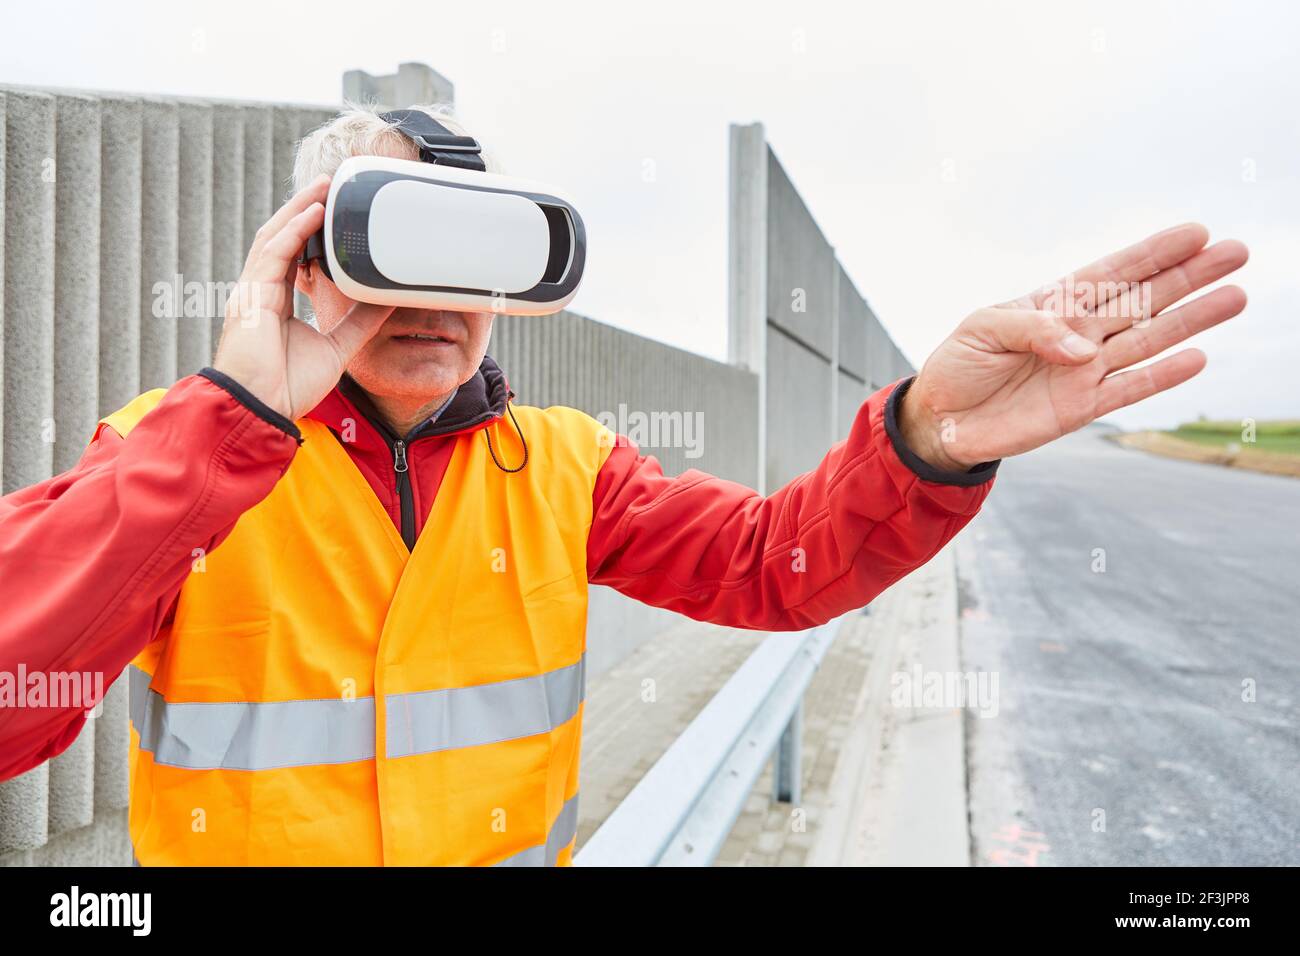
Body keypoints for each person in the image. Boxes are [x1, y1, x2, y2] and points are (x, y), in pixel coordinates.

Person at [0, 105, 1248, 865]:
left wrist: (927, 437)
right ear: (306, 255)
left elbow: (778, 563)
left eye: (469, 251)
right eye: (393, 242)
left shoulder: (560, 465)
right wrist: (232, 420)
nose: (435, 300)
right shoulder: (172, 458)